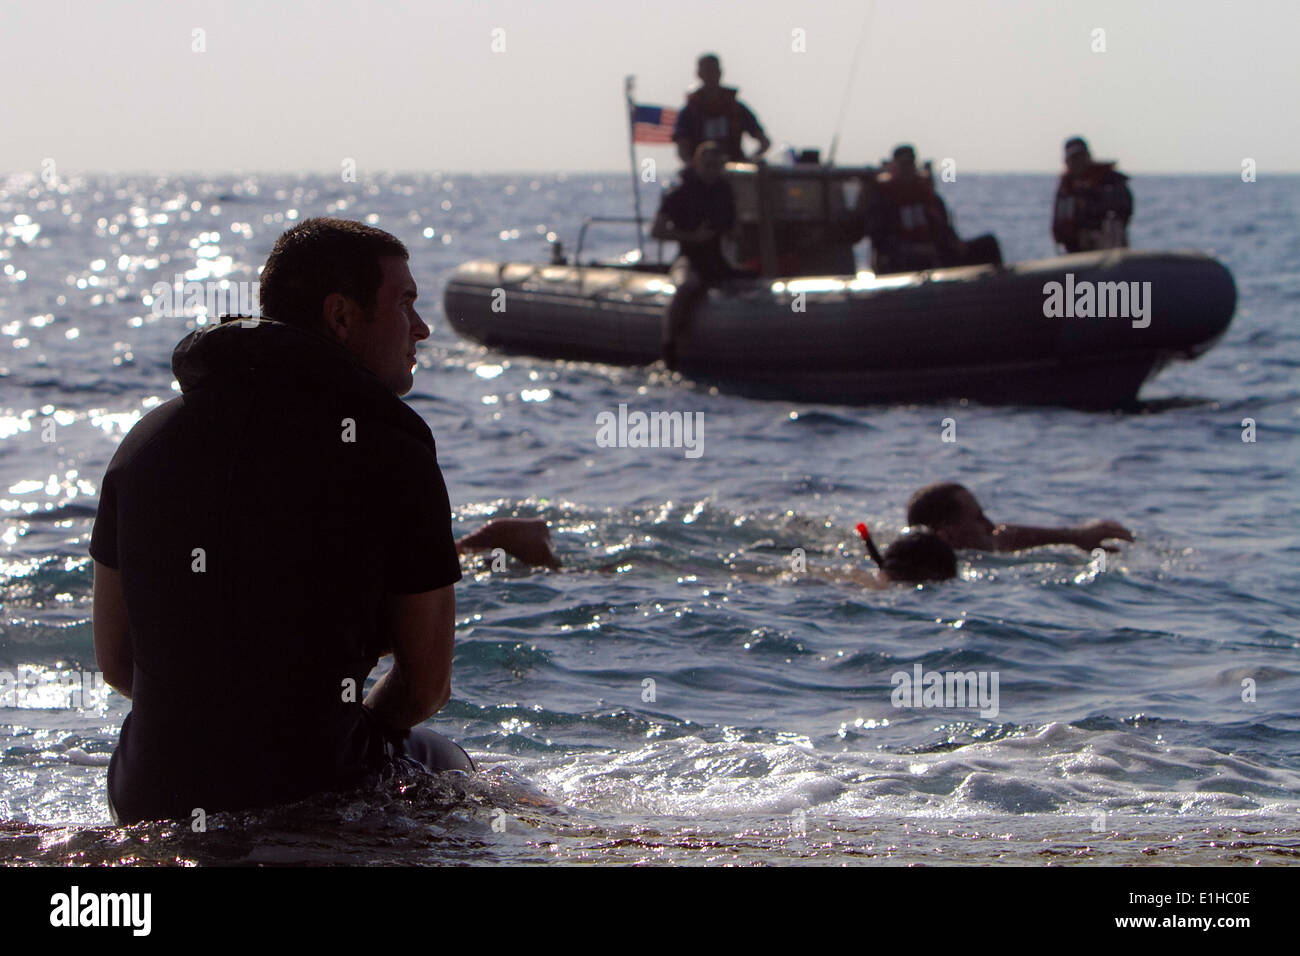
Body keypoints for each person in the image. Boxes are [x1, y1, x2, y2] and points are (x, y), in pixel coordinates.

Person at [90, 218, 522, 825]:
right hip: (313, 794)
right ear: (341, 316)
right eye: (405, 304)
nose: (422, 329)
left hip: (146, 793)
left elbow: (114, 663)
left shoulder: (146, 441)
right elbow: (426, 689)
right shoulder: (391, 448)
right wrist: (334, 732)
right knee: (460, 770)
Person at [651, 141, 740, 368]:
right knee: (686, 286)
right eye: (708, 165)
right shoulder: (679, 194)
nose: (712, 171)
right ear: (697, 164)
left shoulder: (725, 192)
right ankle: (668, 344)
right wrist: (692, 237)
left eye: (717, 166)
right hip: (689, 257)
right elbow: (657, 231)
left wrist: (732, 233)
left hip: (718, 259)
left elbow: (734, 227)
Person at [864, 144, 1002, 275]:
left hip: (936, 252)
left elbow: (944, 228)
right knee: (919, 259)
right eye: (903, 165)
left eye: (910, 164)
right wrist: (914, 249)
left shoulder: (928, 196)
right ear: (894, 167)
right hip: (901, 259)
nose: (907, 169)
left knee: (989, 244)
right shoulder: (883, 199)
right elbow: (880, 240)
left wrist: (954, 242)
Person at [906, 482, 1134, 553]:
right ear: (947, 533)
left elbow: (1008, 535)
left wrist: (1077, 536)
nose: (989, 525)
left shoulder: (976, 543)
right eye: (977, 518)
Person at [673, 53, 771, 165]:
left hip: (734, 171)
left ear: (720, 73)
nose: (711, 75)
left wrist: (749, 161)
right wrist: (695, 168)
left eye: (714, 70)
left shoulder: (737, 108)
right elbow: (682, 147)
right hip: (700, 174)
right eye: (707, 71)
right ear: (699, 74)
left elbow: (765, 142)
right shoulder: (689, 112)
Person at [1052, 136, 1133, 253]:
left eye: (1080, 157)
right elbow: (1058, 227)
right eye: (1073, 158)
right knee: (1070, 271)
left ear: (1088, 157)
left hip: (1106, 247)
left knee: (1112, 222)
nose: (1077, 162)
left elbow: (1122, 211)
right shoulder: (1066, 189)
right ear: (1066, 161)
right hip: (1074, 253)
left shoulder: (1109, 181)